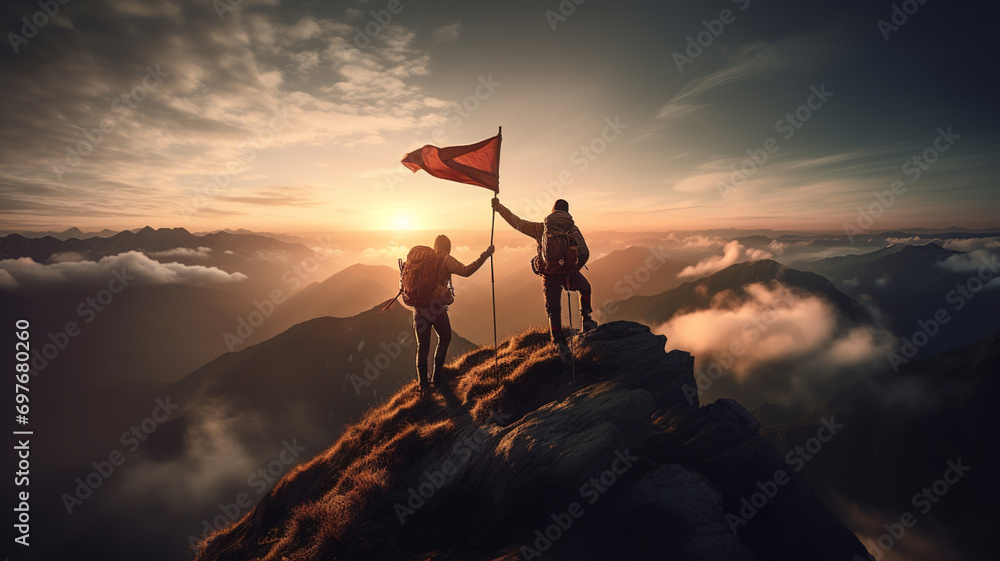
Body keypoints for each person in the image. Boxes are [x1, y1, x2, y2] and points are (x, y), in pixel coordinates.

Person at [491, 197, 597, 352]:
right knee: (585, 288)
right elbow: (585, 252)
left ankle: (558, 342)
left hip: (548, 274)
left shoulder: (542, 229)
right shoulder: (572, 229)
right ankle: (587, 320)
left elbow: (517, 223)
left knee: (553, 309)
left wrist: (499, 208)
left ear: (552, 211)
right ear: (567, 212)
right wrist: (572, 268)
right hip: (569, 273)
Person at [411, 235, 494, 392]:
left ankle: (423, 385)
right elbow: (466, 271)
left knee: (422, 346)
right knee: (445, 337)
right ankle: (437, 376)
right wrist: (485, 255)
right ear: (448, 246)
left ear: (434, 245)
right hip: (435, 309)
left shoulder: (424, 260)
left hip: (418, 308)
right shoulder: (446, 259)